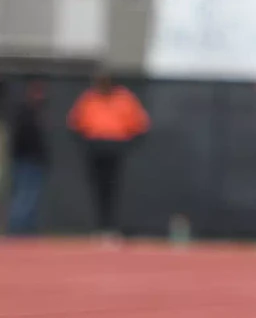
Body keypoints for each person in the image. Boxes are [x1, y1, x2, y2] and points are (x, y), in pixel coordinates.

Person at [67, 72, 149, 236]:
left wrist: (127, 145)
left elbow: (140, 124)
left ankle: (112, 227)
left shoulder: (124, 98)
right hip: (95, 148)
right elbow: (75, 122)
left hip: (116, 148)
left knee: (114, 189)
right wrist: (86, 144)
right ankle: (99, 226)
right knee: (98, 189)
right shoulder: (89, 98)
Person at [6, 80, 49, 235]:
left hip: (33, 161)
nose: (41, 96)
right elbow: (21, 139)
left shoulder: (36, 112)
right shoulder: (24, 113)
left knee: (31, 197)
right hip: (26, 161)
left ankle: (27, 232)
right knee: (24, 196)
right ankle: (17, 231)